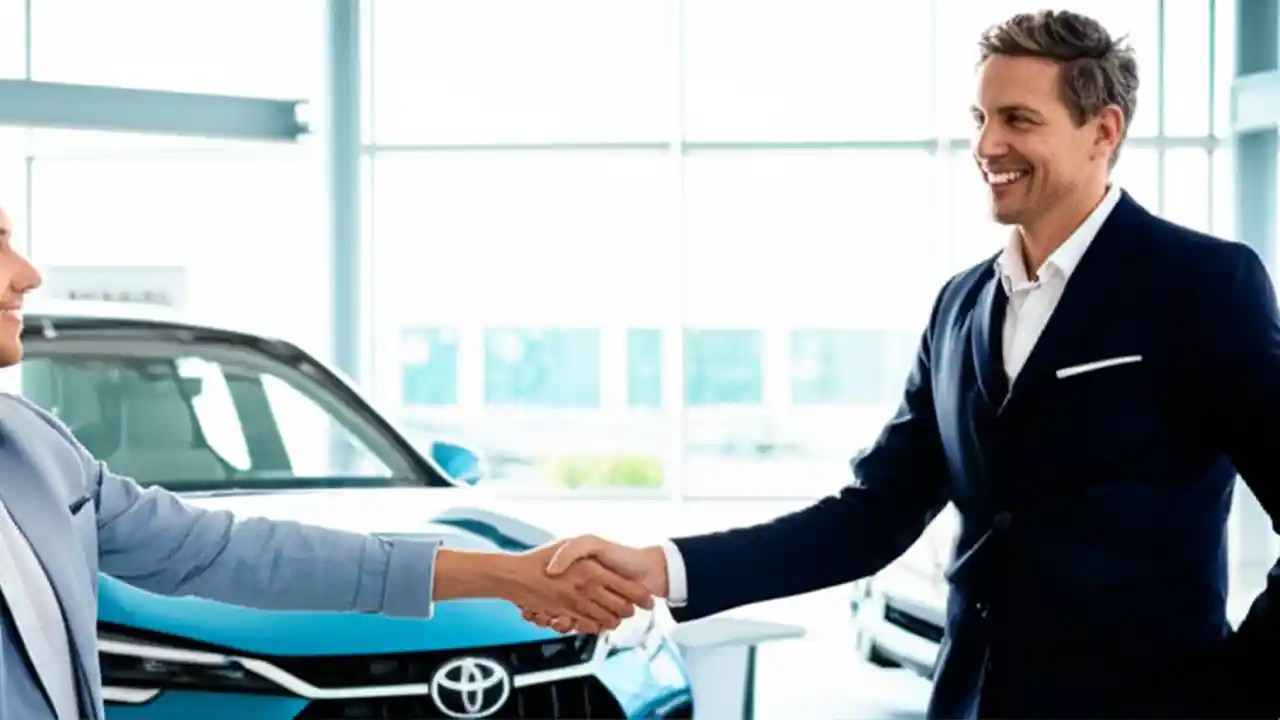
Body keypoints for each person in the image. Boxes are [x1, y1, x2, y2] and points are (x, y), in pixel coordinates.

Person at [530, 9, 1280, 719]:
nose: (988, 146)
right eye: (980, 119)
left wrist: (1231, 699)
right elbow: (873, 516)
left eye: (1019, 120)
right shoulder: (960, 306)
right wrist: (659, 568)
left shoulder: (1203, 285)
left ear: (1102, 131)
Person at [0, 208, 652, 720]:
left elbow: (223, 552)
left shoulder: (34, 448)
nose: (27, 272)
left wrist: (507, 576)